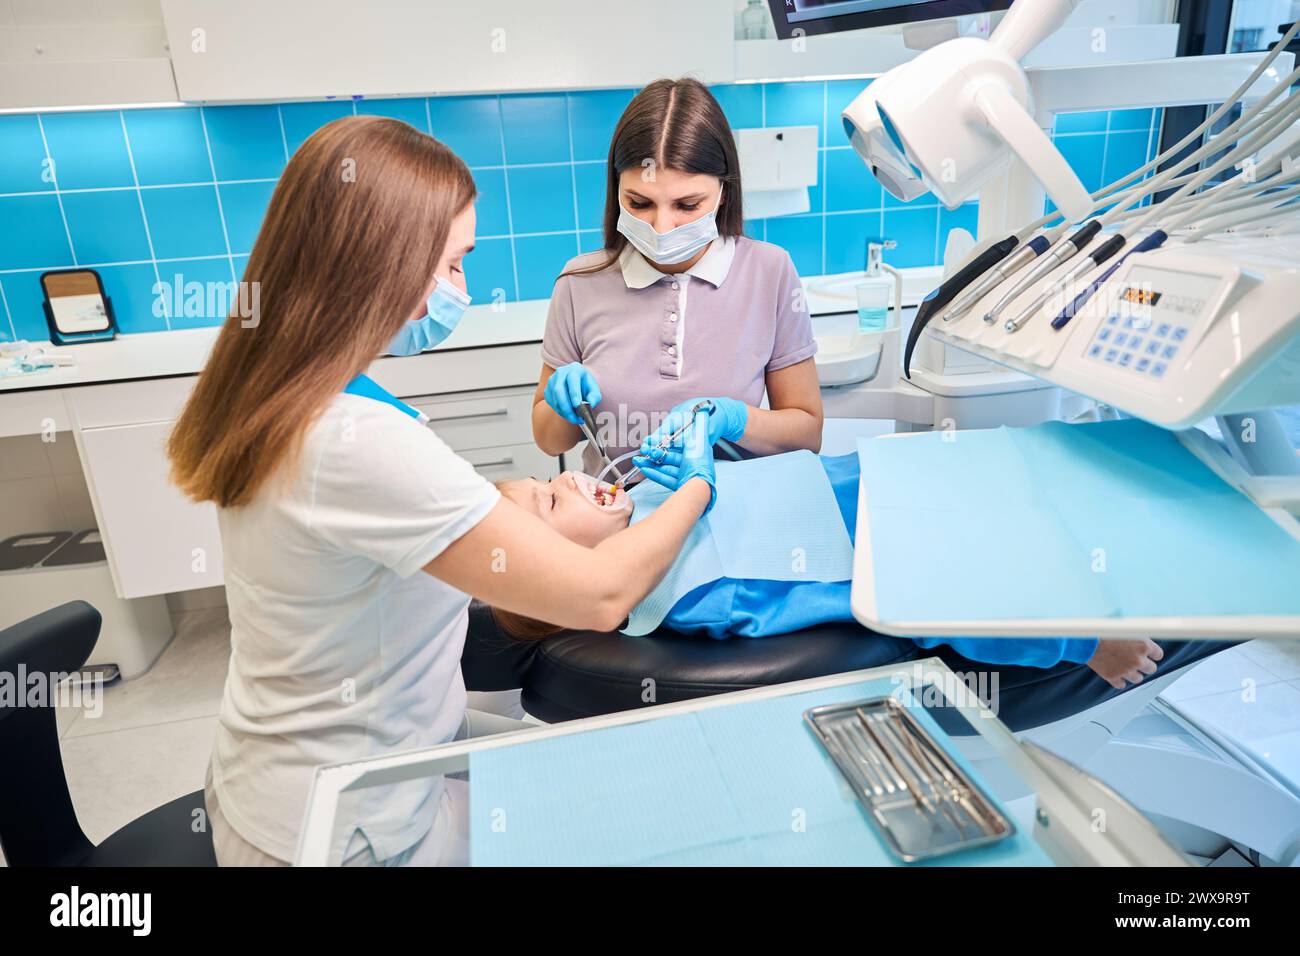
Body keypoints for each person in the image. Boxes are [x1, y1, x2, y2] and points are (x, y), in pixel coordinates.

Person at [166, 116, 715, 867]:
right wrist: (695, 489)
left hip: (293, 775)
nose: (462, 287)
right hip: (340, 832)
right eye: (453, 265)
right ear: (384, 264)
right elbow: (598, 597)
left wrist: (536, 503)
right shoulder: (350, 440)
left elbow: (426, 535)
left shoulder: (289, 389)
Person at [493, 455, 1223, 691]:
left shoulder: (657, 494)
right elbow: (921, 595)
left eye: (546, 478)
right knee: (1203, 570)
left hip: (947, 487)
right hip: (972, 550)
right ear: (574, 573)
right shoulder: (708, 587)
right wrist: (1081, 644)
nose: (572, 478)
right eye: (554, 502)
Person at [532, 77, 824, 477]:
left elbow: (808, 435)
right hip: (618, 518)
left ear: (724, 191)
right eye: (639, 202)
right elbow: (550, 441)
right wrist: (561, 407)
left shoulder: (770, 273)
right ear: (616, 189)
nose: (663, 226)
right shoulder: (578, 282)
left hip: (732, 512)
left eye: (687, 204)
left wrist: (734, 418)